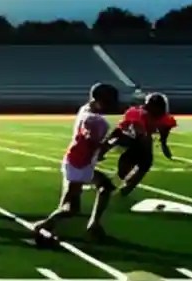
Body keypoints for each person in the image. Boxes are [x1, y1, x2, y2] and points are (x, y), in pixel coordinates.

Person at [33, 82, 119, 244]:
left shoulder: (86, 109)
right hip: (80, 164)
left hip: (76, 161)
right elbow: (93, 143)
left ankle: (93, 224)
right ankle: (41, 227)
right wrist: (113, 142)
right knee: (69, 208)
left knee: (104, 187)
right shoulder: (96, 121)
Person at [99, 92, 175, 196]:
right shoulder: (137, 113)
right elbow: (136, 133)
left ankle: (126, 188)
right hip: (127, 137)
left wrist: (164, 145)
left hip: (139, 139)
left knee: (145, 164)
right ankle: (101, 154)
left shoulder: (165, 118)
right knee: (124, 167)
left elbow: (163, 133)